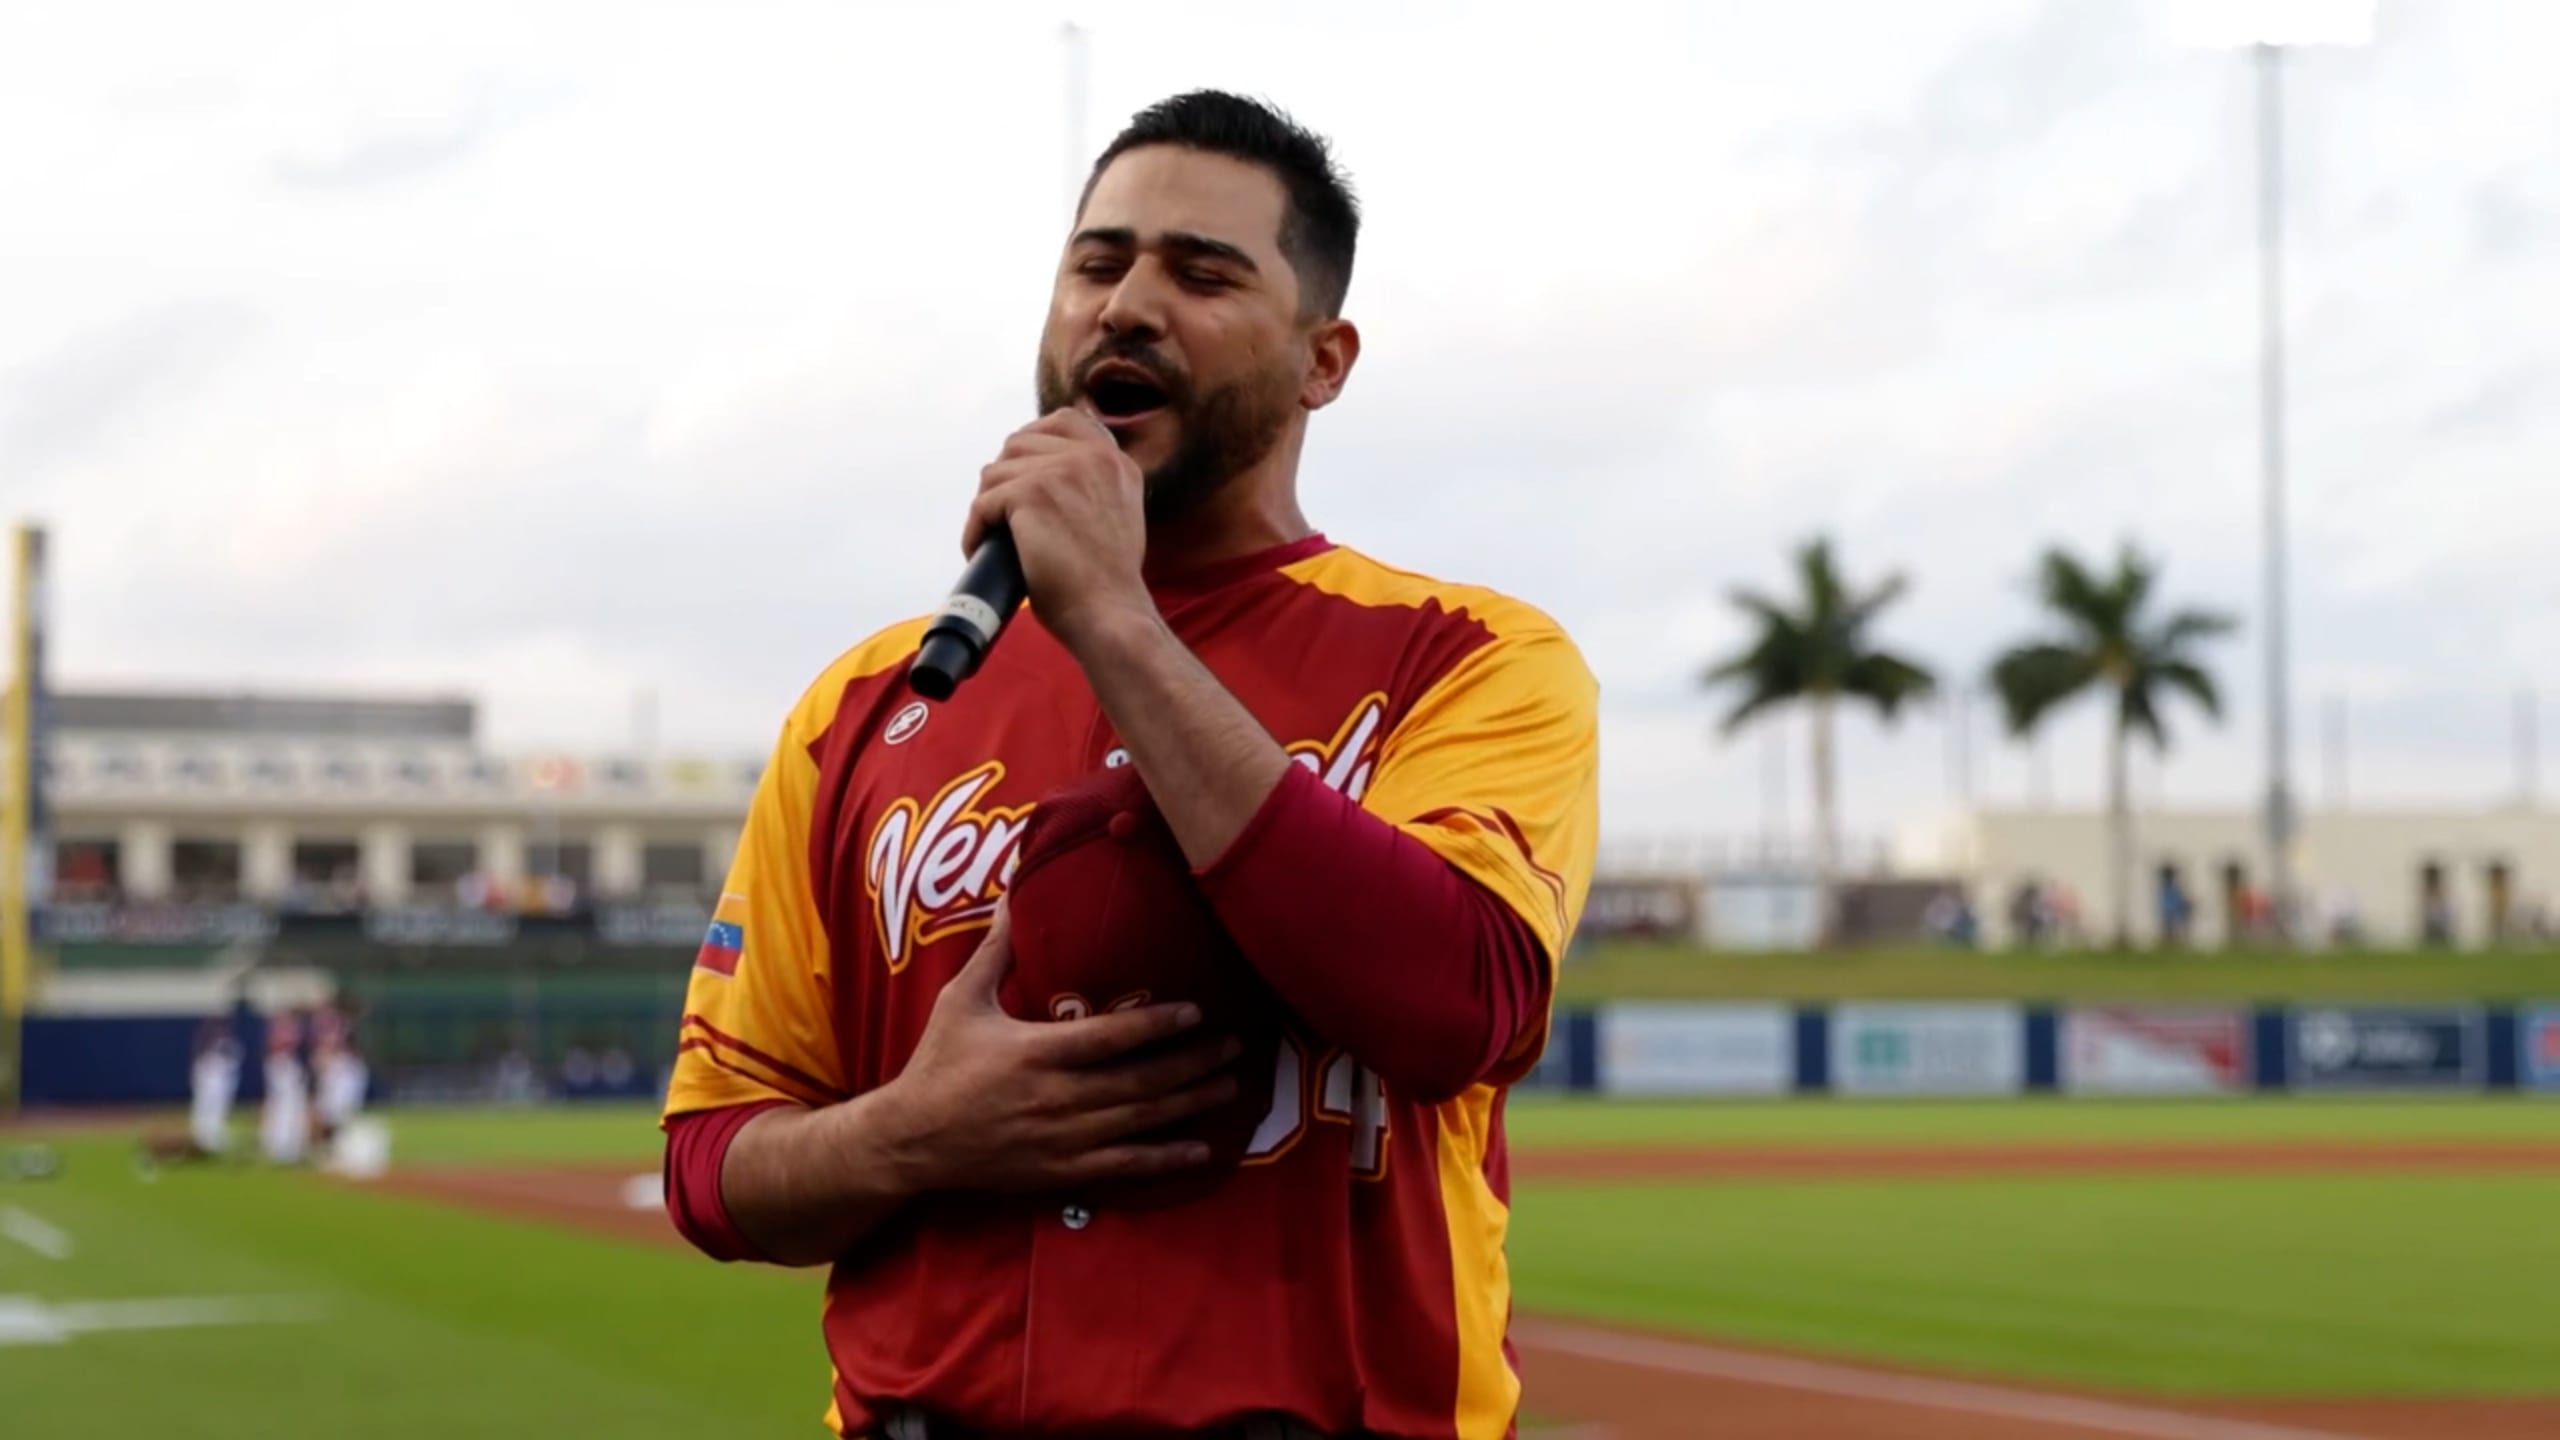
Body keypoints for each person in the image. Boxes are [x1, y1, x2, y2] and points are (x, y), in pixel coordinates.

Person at [659, 91, 1599, 1440]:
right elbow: (709, 1168)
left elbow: (1462, 1003)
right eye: (1098, 265)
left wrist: (1111, 615)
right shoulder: (865, 703)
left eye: (1202, 274)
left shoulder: (1468, 656)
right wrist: (912, 1133)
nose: (1127, 305)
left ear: (1322, 360)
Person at [258, 1007, 309, 1165]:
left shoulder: (286, 1029)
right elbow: (279, 1044)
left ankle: (288, 1147)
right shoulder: (278, 1030)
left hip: (284, 1063)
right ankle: (279, 1147)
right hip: (280, 1064)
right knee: (283, 1107)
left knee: (292, 1107)